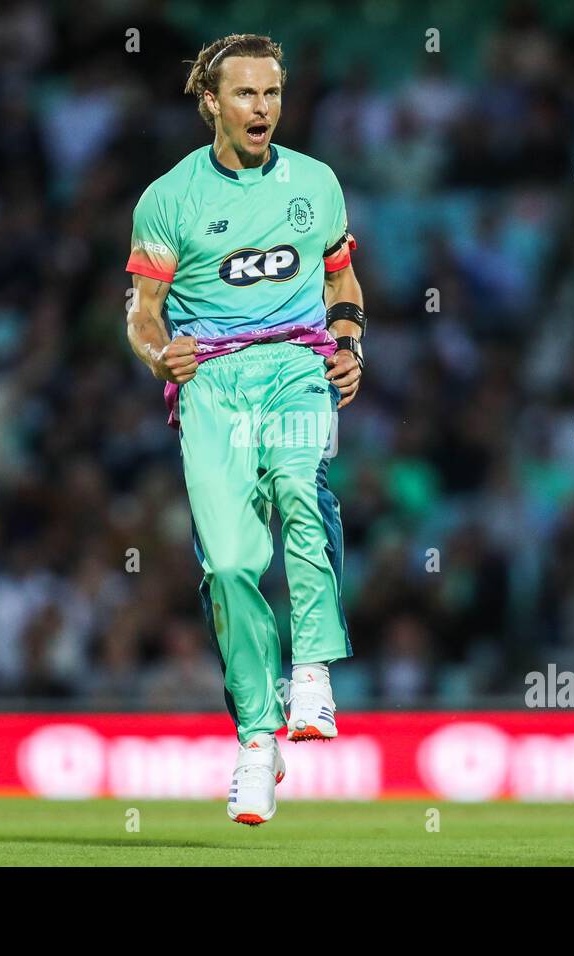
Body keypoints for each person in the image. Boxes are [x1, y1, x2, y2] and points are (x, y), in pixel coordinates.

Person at [124, 34, 365, 825]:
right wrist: (163, 358)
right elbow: (142, 317)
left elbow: (339, 272)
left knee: (301, 485)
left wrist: (352, 341)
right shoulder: (169, 199)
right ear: (211, 103)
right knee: (229, 564)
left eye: (272, 94)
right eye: (246, 95)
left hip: (297, 362)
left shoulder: (317, 183)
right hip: (213, 383)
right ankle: (257, 742)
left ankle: (315, 670)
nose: (262, 109)